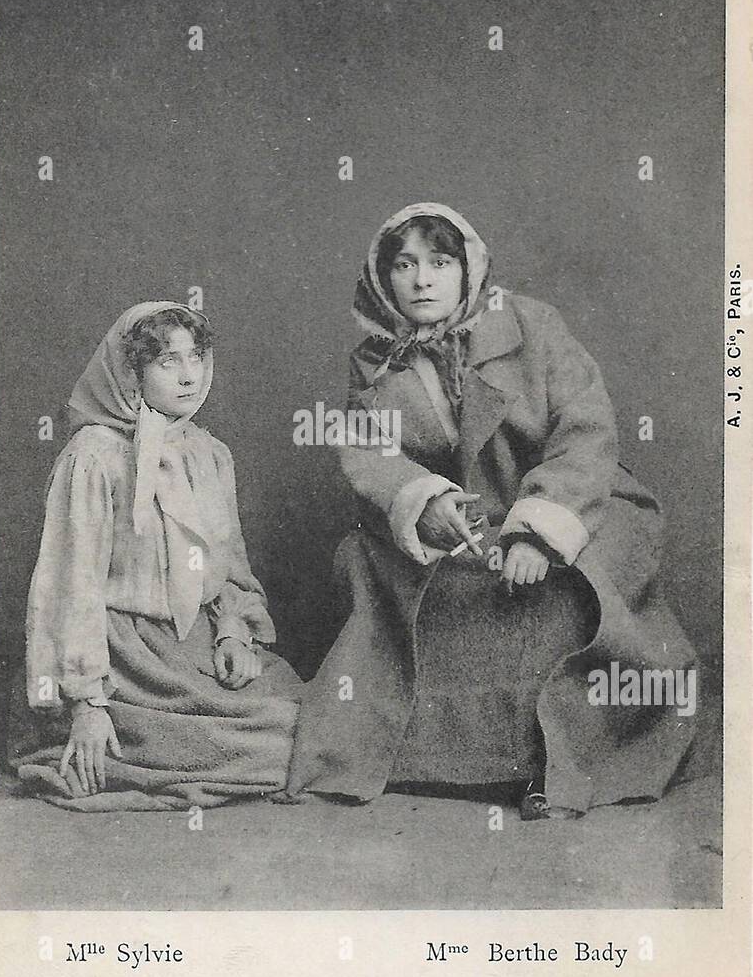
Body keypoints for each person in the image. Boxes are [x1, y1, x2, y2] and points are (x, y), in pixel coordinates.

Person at [285, 203, 697, 818]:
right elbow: (370, 457)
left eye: (440, 262)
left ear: (467, 269)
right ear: (382, 276)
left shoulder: (533, 326)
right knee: (388, 575)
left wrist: (538, 531)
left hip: (572, 500)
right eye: (405, 264)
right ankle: (431, 763)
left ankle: (566, 763)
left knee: (570, 588)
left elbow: (586, 433)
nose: (423, 280)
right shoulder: (373, 359)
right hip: (461, 525)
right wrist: (424, 501)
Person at [9, 301, 301, 811]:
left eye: (195, 359)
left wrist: (232, 631)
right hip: (119, 655)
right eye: (168, 362)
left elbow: (229, 564)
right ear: (131, 370)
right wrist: (86, 703)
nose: (189, 376)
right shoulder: (94, 455)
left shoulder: (208, 452)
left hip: (191, 642)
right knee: (258, 748)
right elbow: (68, 585)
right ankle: (116, 730)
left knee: (305, 720)